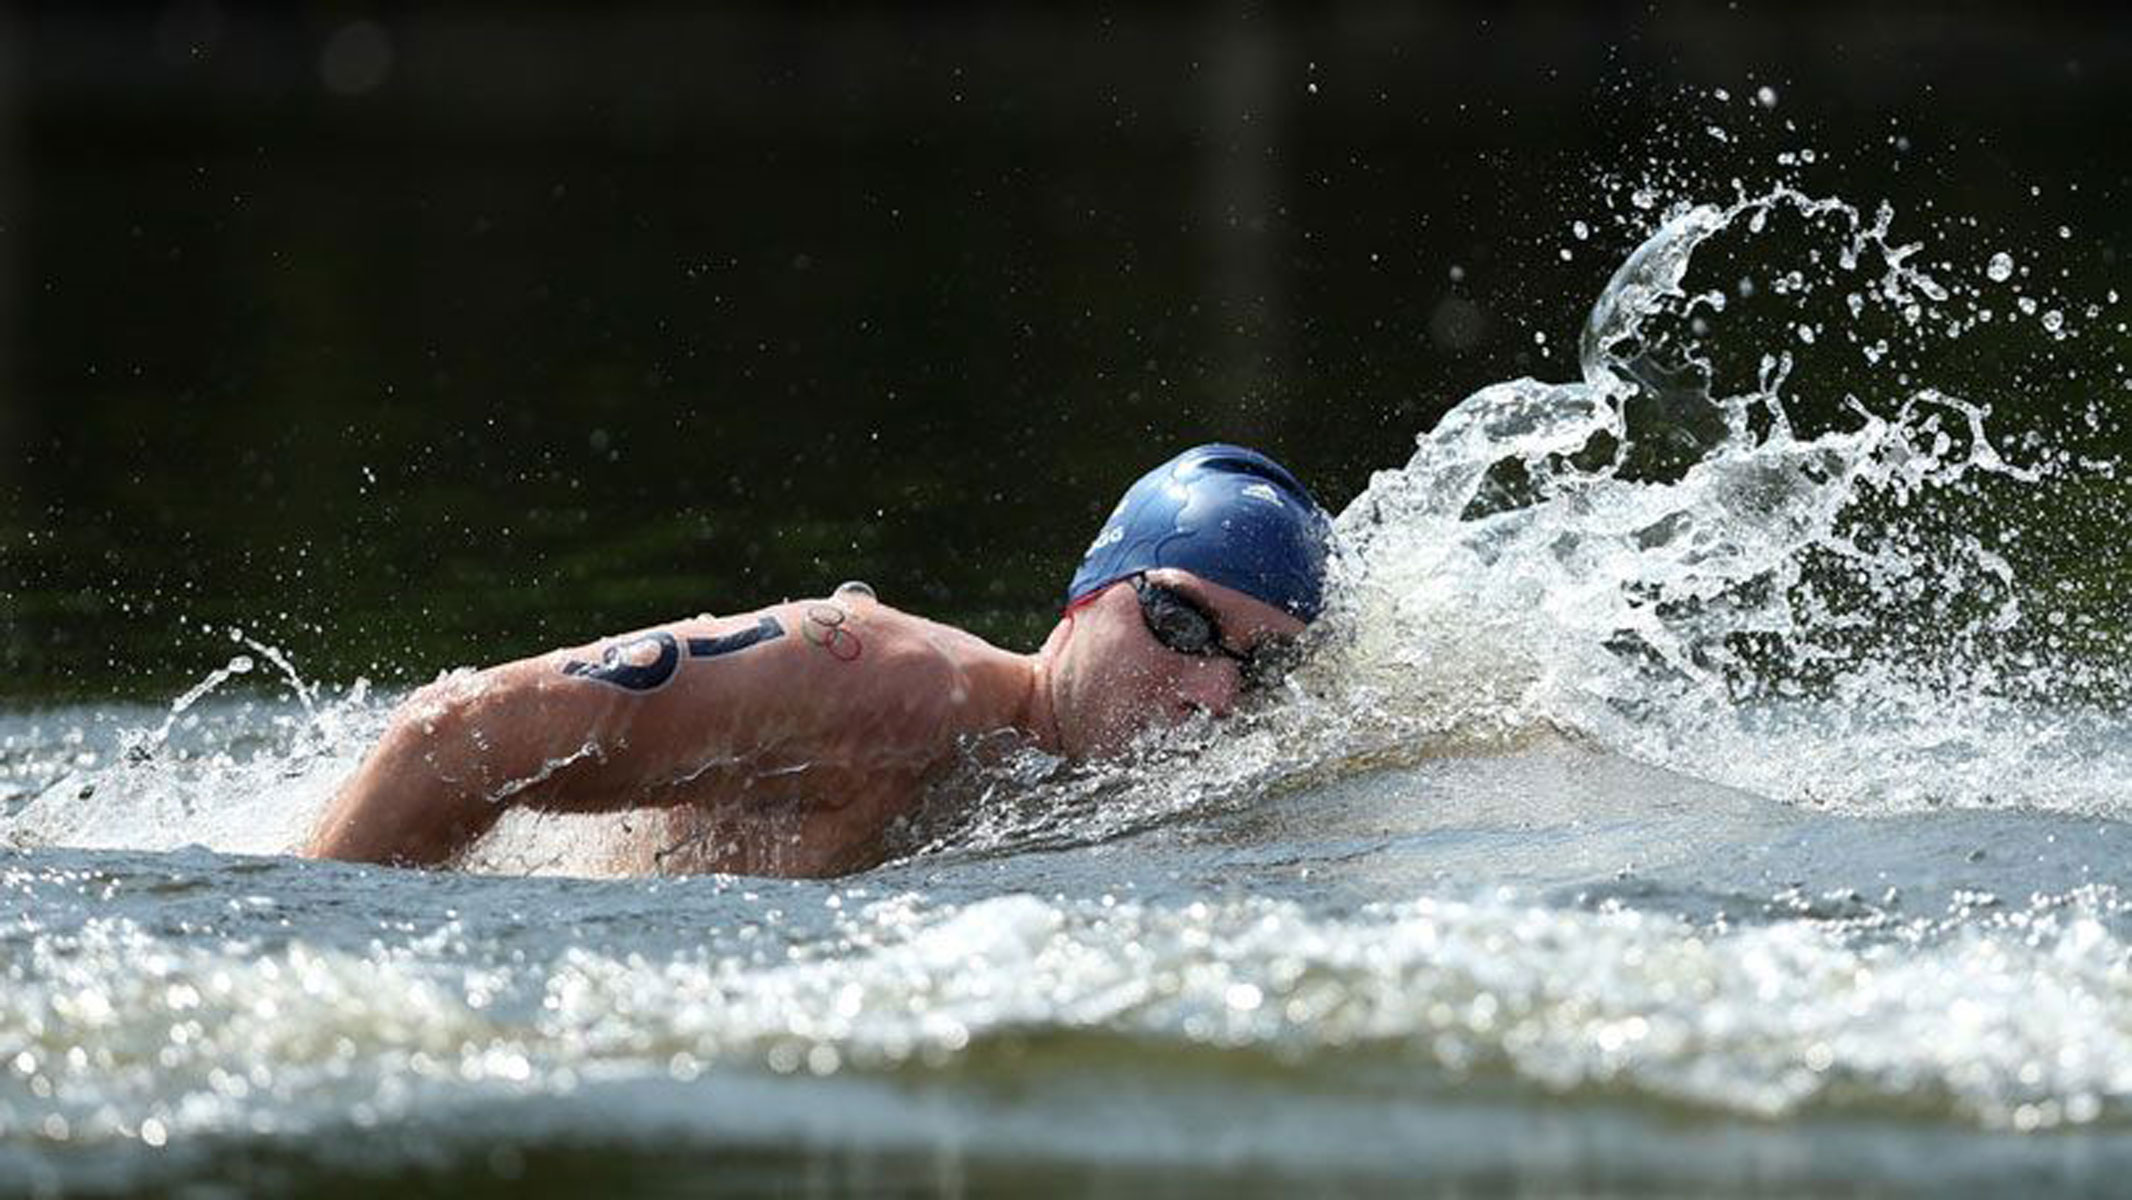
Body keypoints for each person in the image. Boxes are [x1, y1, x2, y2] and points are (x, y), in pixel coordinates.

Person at [302, 444, 1333, 877]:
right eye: (1182, 625)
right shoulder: (880, 684)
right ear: (1090, 592)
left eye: (1260, 666)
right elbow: (454, 734)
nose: (1210, 691)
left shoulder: (1163, 803)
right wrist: (312, 962)